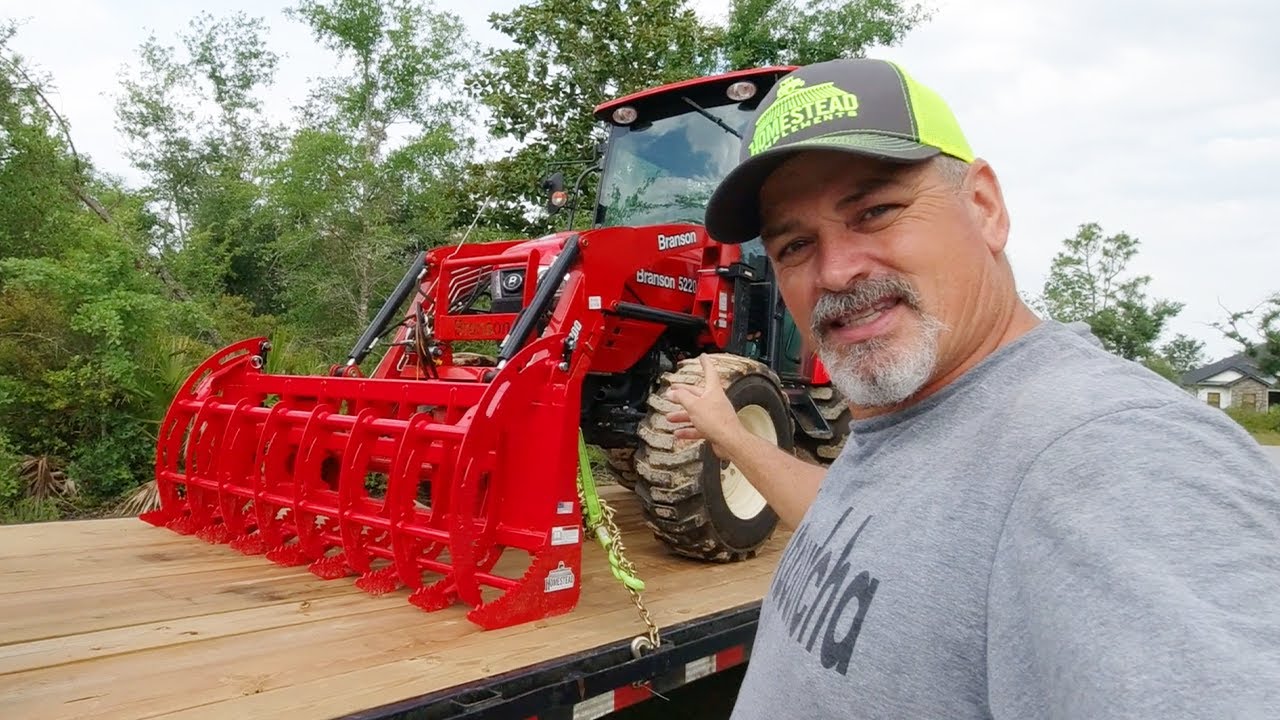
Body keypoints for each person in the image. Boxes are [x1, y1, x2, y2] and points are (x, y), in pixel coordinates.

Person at [664, 57, 1280, 718]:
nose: (837, 270)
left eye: (875, 210)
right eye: (793, 246)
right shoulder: (922, 426)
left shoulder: (1111, 451)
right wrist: (730, 433)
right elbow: (863, 526)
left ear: (984, 207)